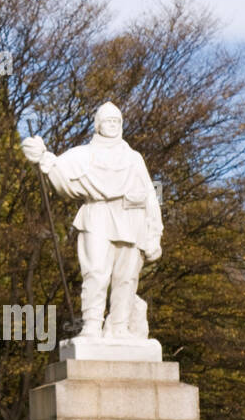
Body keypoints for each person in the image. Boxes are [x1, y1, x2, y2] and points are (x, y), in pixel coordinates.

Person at [21, 102, 162, 340]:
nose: (113, 125)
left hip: (131, 220)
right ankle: (92, 325)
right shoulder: (83, 155)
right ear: (98, 125)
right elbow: (59, 174)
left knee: (126, 277)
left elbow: (150, 196)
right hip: (97, 216)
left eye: (117, 121)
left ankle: (119, 327)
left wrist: (155, 233)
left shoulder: (134, 158)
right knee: (96, 272)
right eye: (108, 120)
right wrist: (41, 156)